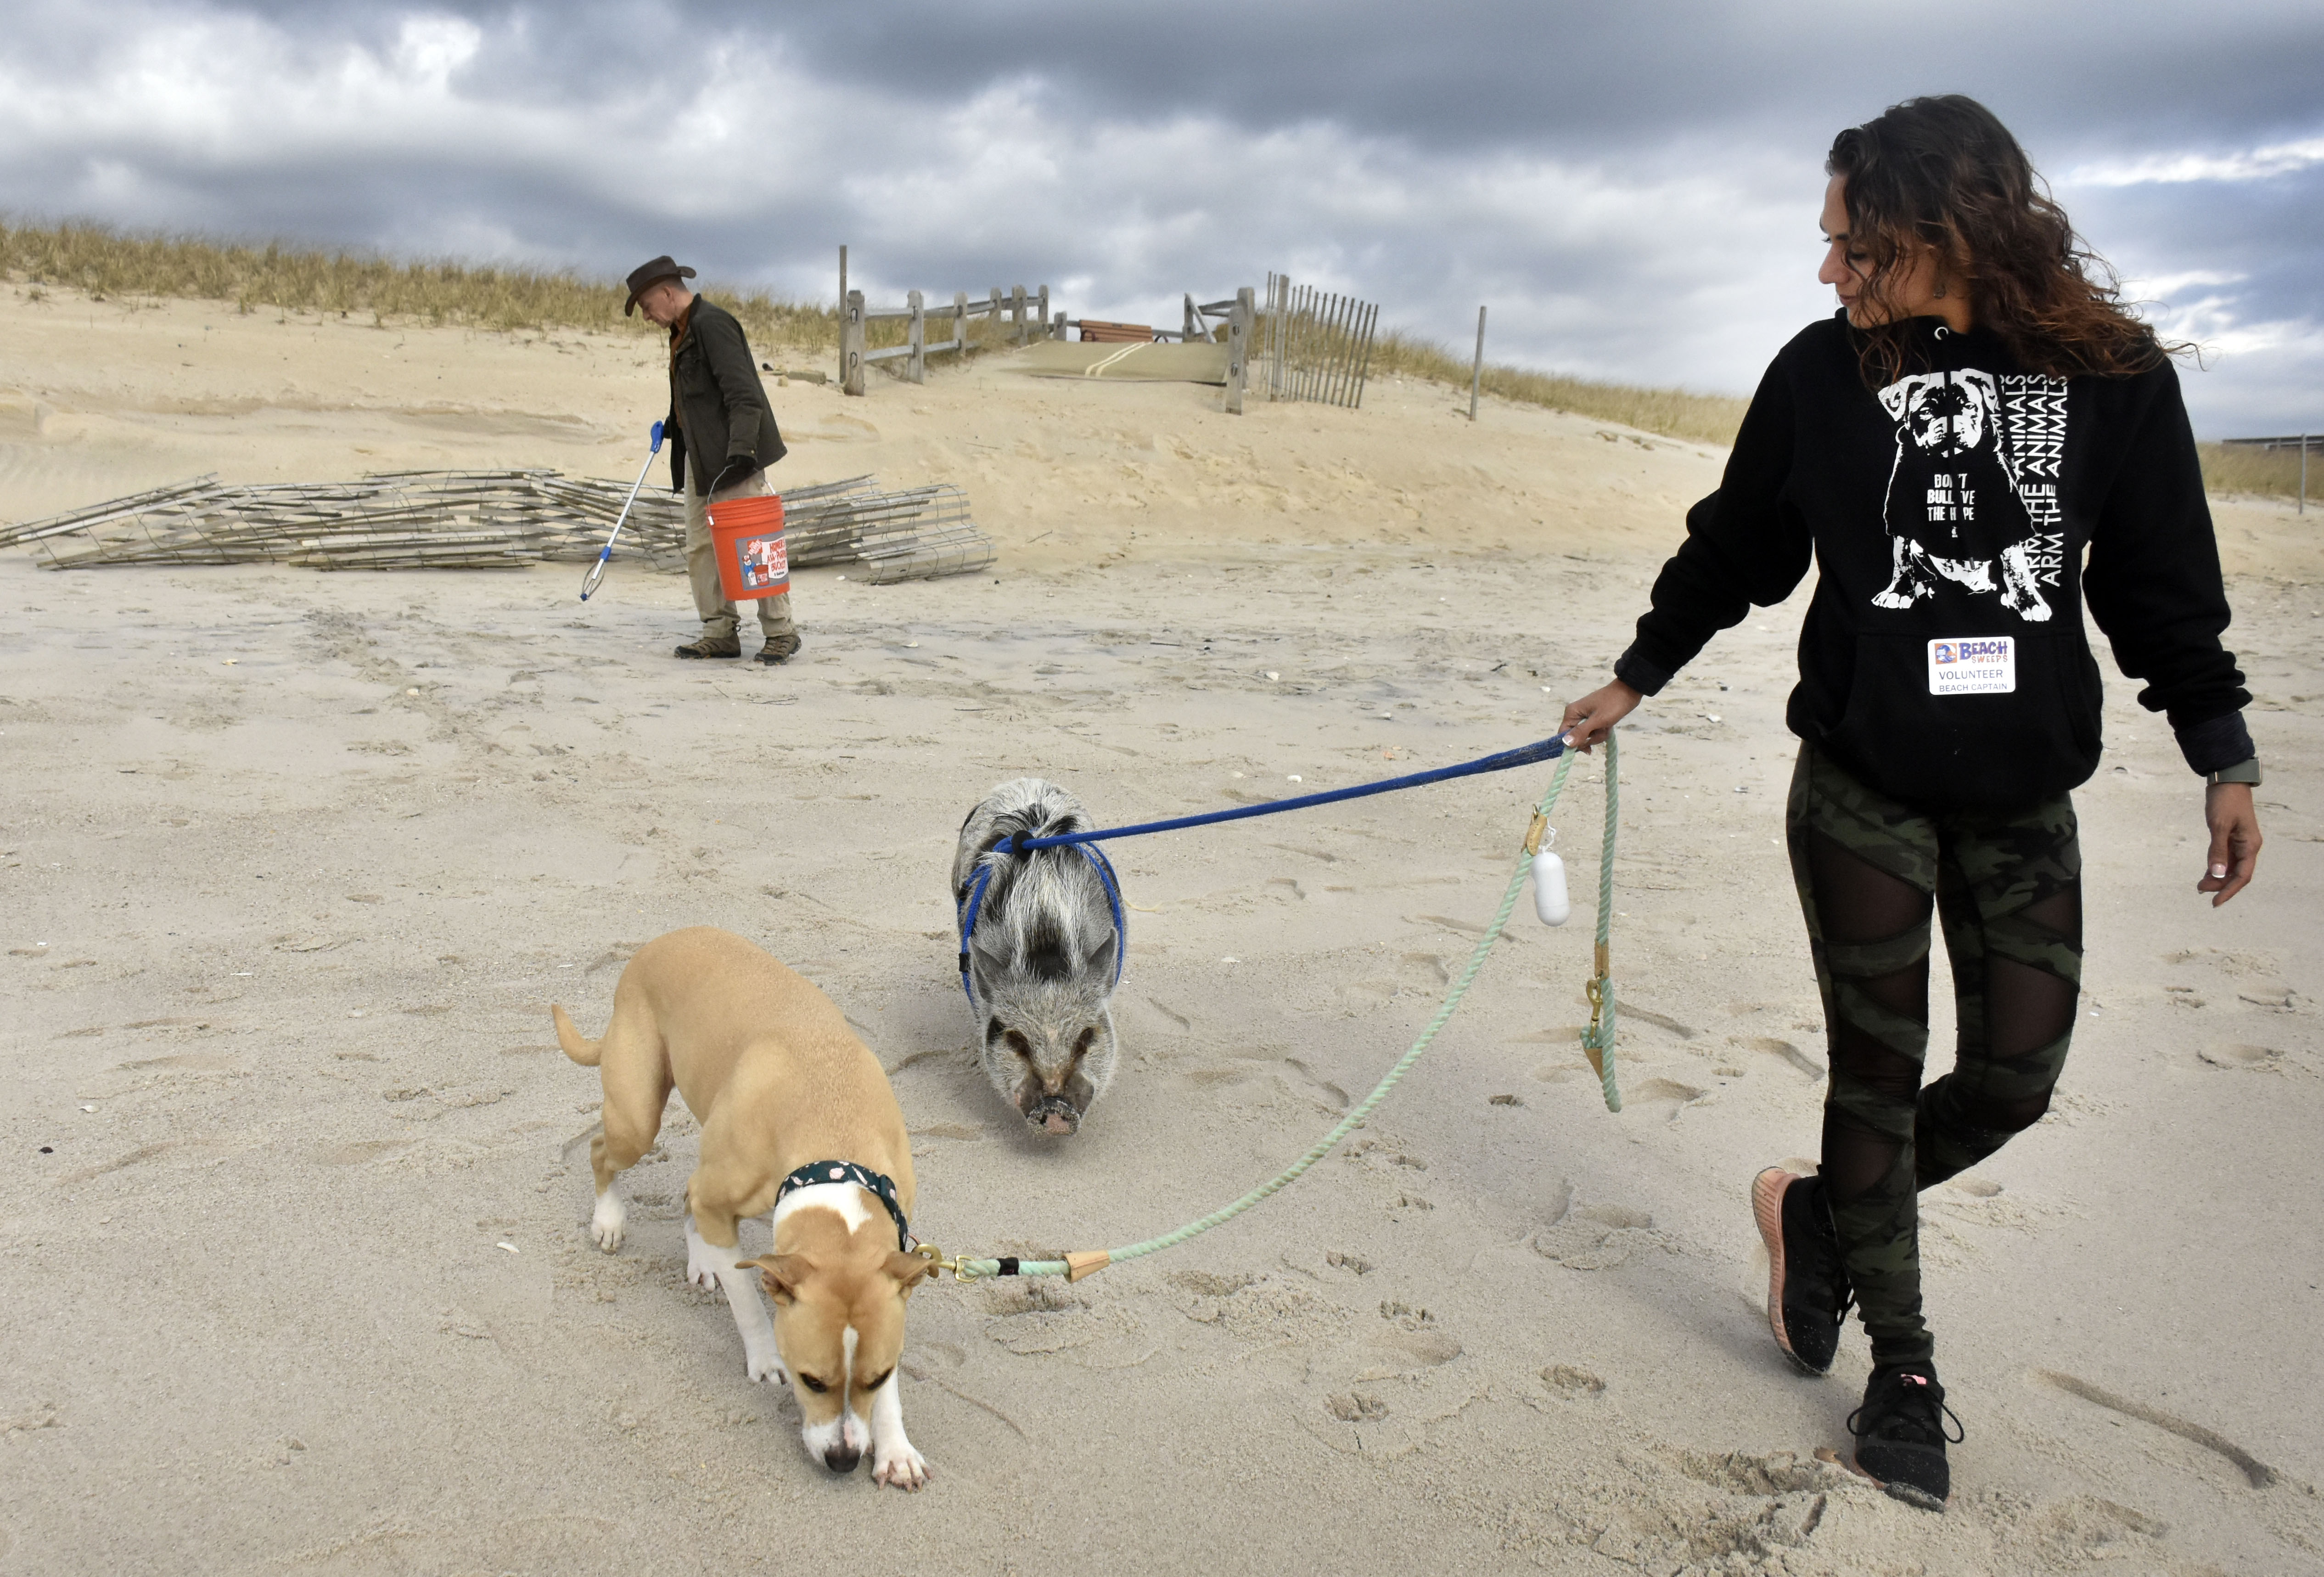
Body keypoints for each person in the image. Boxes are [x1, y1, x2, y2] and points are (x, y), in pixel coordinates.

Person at [1558, 96, 2263, 1511]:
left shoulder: (2110, 376)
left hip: (2020, 792)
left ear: (1937, 228)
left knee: (2017, 1073)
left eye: (1847, 244)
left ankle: (1820, 1210)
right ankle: (1904, 1364)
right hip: (1861, 783)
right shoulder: (1821, 379)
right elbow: (1737, 544)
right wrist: (1639, 670)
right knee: (1872, 1072)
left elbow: (2155, 581)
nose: (1826, 272)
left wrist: (2219, 748)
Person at [623, 255, 800, 664]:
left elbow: (744, 393)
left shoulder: (712, 324)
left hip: (734, 456)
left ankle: (781, 631)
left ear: (668, 293)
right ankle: (720, 631)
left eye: (648, 306)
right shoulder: (681, 331)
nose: (648, 317)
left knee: (755, 545)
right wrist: (673, 424)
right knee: (702, 547)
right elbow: (697, 394)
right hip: (700, 456)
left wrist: (742, 453)